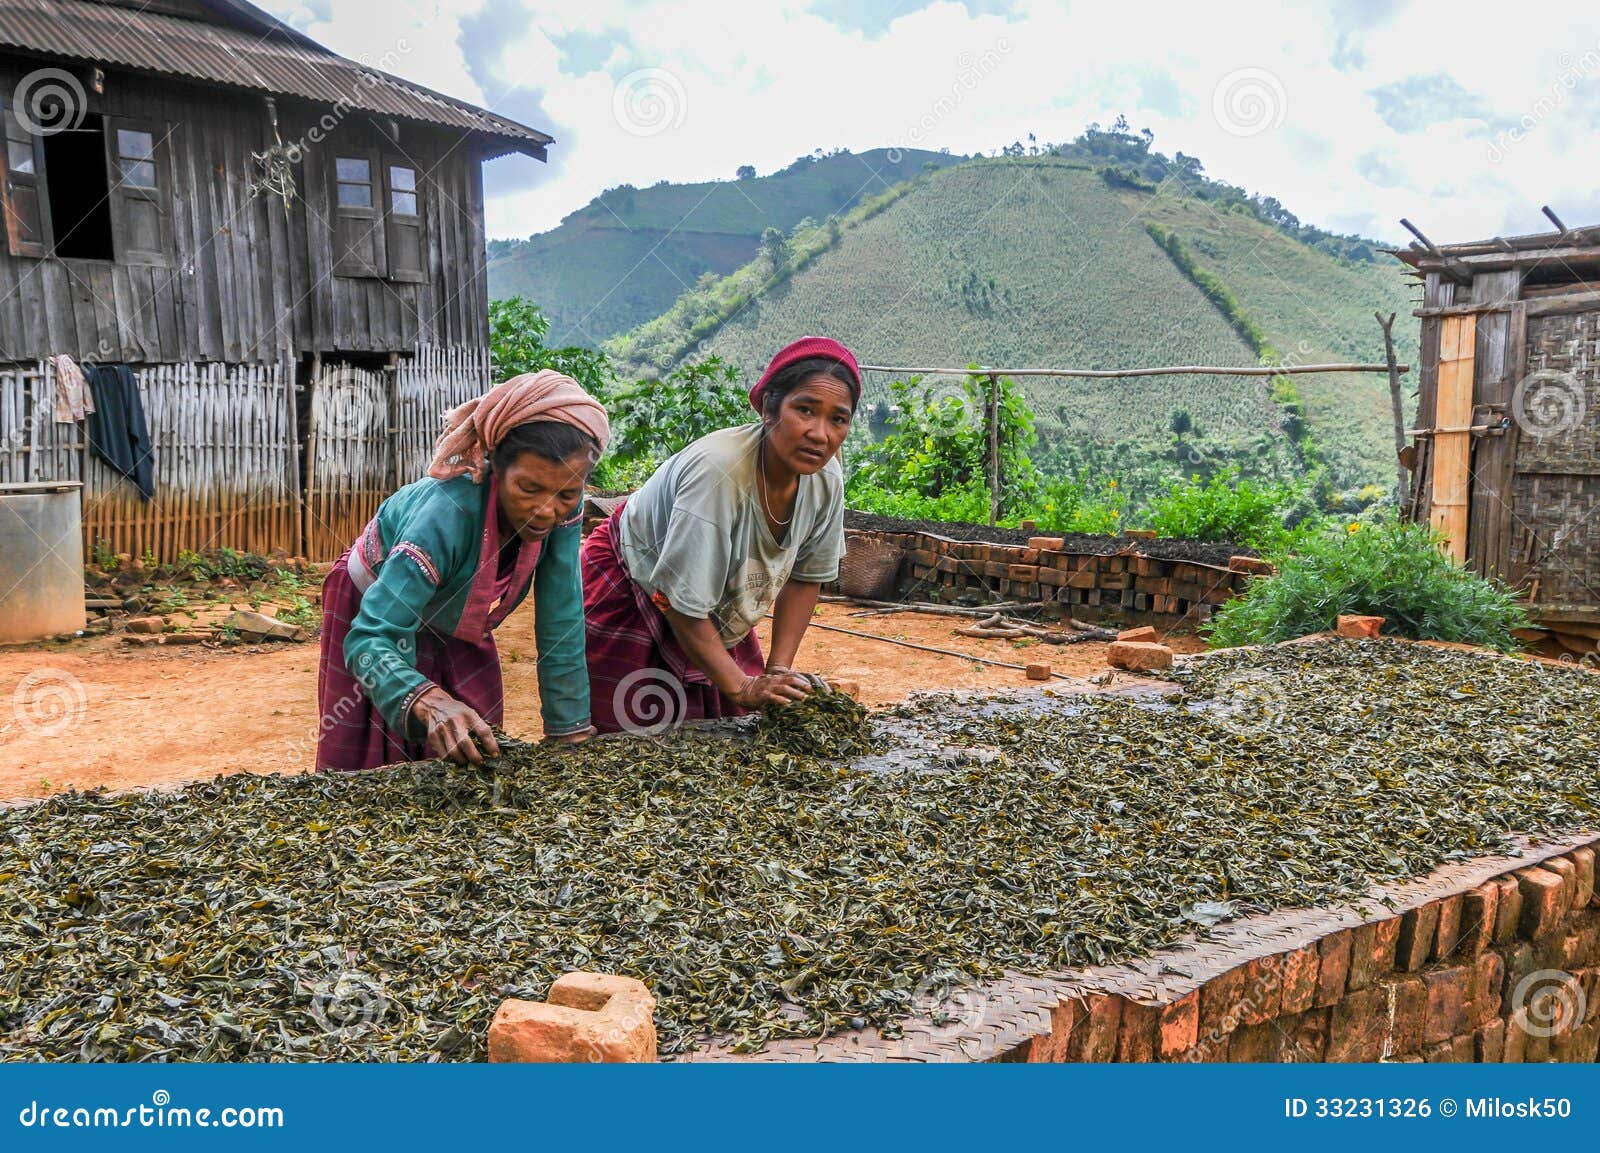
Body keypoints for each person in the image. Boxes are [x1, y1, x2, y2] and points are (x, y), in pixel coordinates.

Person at [315, 370, 609, 770]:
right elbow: (368, 640)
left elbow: (562, 621)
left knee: (475, 736)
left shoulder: (564, 509)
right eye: (528, 489)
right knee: (379, 748)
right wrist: (426, 699)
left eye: (567, 494)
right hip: (377, 600)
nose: (547, 510)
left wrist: (568, 730)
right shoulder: (444, 518)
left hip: (459, 609)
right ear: (494, 467)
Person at [582, 335, 857, 733]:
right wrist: (743, 686)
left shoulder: (825, 477)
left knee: (730, 728)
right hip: (635, 581)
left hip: (716, 599)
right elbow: (677, 601)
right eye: (805, 410)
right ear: (768, 409)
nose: (820, 433)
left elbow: (805, 576)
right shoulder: (718, 475)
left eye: (838, 419)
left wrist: (777, 669)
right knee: (637, 736)